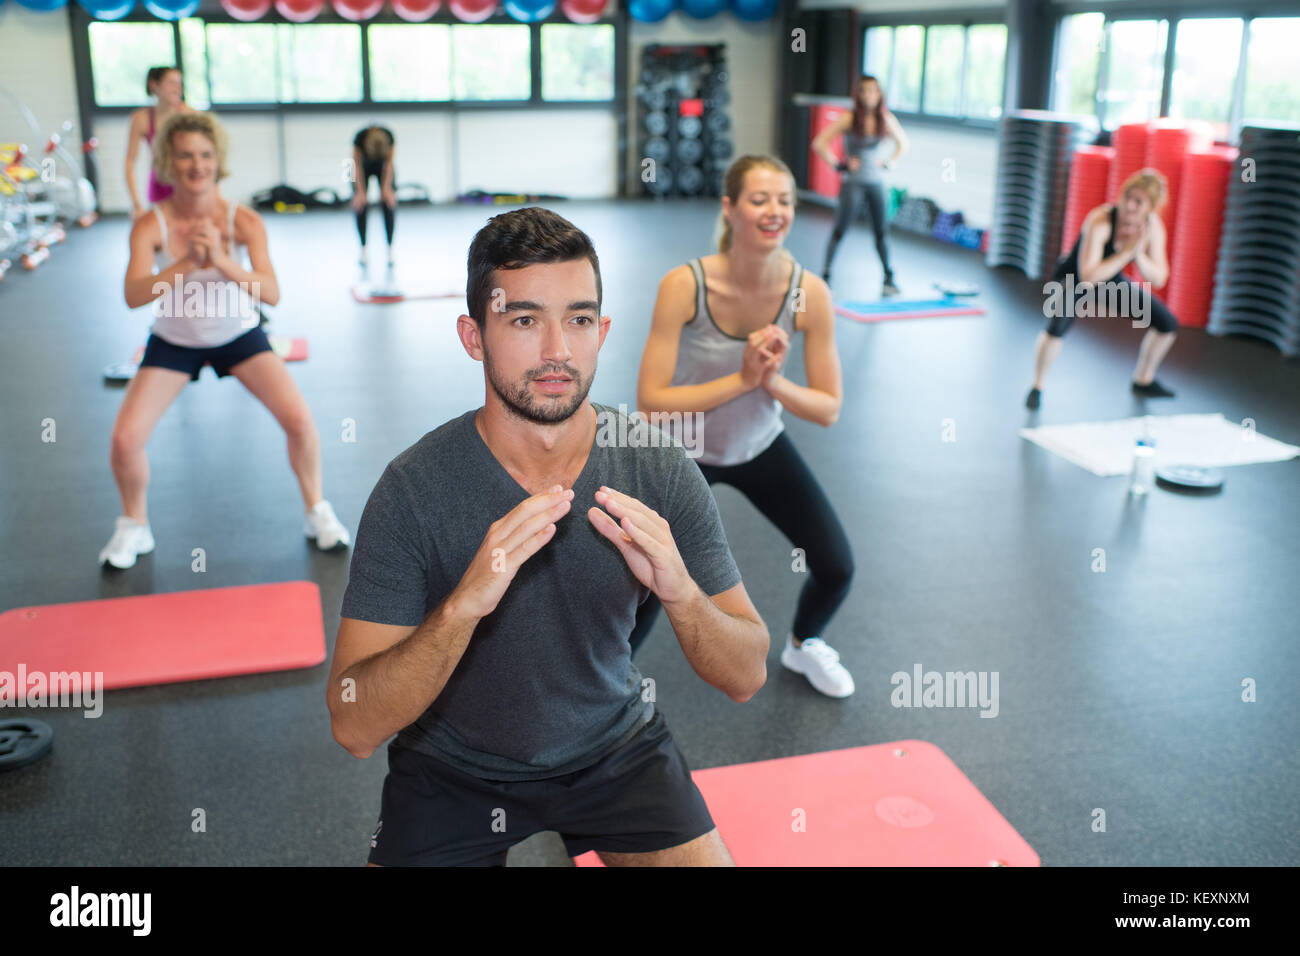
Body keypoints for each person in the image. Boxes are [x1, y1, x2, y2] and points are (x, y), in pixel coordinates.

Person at [328, 206, 769, 867]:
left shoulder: (655, 467)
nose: (558, 349)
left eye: (580, 319)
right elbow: (353, 725)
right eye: (525, 320)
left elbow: (746, 675)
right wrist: (462, 607)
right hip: (451, 768)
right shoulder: (413, 489)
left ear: (603, 331)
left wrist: (681, 595)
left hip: (612, 747)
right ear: (474, 336)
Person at [633, 154, 856, 700]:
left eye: (784, 200)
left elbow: (827, 408)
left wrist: (771, 381)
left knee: (836, 565)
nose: (774, 210)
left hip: (760, 446)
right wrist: (743, 376)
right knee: (640, 585)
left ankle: (803, 646)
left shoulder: (809, 293)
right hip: (681, 451)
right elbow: (652, 404)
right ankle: (608, 679)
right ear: (730, 208)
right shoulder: (684, 285)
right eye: (760, 199)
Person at [100, 112, 349, 570]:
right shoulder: (149, 225)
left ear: (218, 162)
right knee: (125, 439)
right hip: (173, 341)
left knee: (299, 421)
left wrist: (220, 259)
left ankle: (316, 510)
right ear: (168, 164)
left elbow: (271, 293)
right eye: (186, 156)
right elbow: (134, 296)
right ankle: (133, 525)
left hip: (239, 336)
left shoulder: (244, 221)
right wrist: (187, 264)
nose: (197, 165)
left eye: (206, 155)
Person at [1026, 169, 1179, 409]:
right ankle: (1037, 386)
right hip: (1073, 278)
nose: (1129, 206)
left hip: (1108, 279)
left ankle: (1143, 379)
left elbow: (1159, 277)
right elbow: (1088, 277)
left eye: (1138, 202)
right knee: (1055, 329)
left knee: (1167, 324)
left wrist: (1138, 255)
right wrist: (1127, 252)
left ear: (1150, 207)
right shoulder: (1101, 220)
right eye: (1128, 197)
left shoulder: (1152, 227)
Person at [814, 74, 908, 294]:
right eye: (864, 90)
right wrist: (839, 165)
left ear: (879, 94)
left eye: (873, 90)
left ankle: (888, 278)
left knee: (881, 232)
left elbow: (903, 143)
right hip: (853, 182)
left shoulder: (885, 118)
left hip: (876, 181)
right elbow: (819, 143)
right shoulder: (849, 118)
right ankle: (825, 275)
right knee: (840, 229)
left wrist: (889, 163)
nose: (869, 95)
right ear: (858, 94)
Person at [125, 66, 192, 219]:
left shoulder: (190, 115)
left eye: (179, 84)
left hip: (187, 186)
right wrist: (136, 204)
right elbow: (129, 162)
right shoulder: (141, 119)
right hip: (159, 187)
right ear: (154, 85)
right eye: (171, 83)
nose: (177, 89)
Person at [351, 125, 397, 269]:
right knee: (360, 205)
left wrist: (387, 189)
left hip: (382, 167)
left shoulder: (389, 136)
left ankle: (390, 248)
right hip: (361, 166)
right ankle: (363, 248)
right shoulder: (359, 138)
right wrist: (360, 192)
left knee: (389, 203)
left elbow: (389, 164)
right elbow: (355, 165)